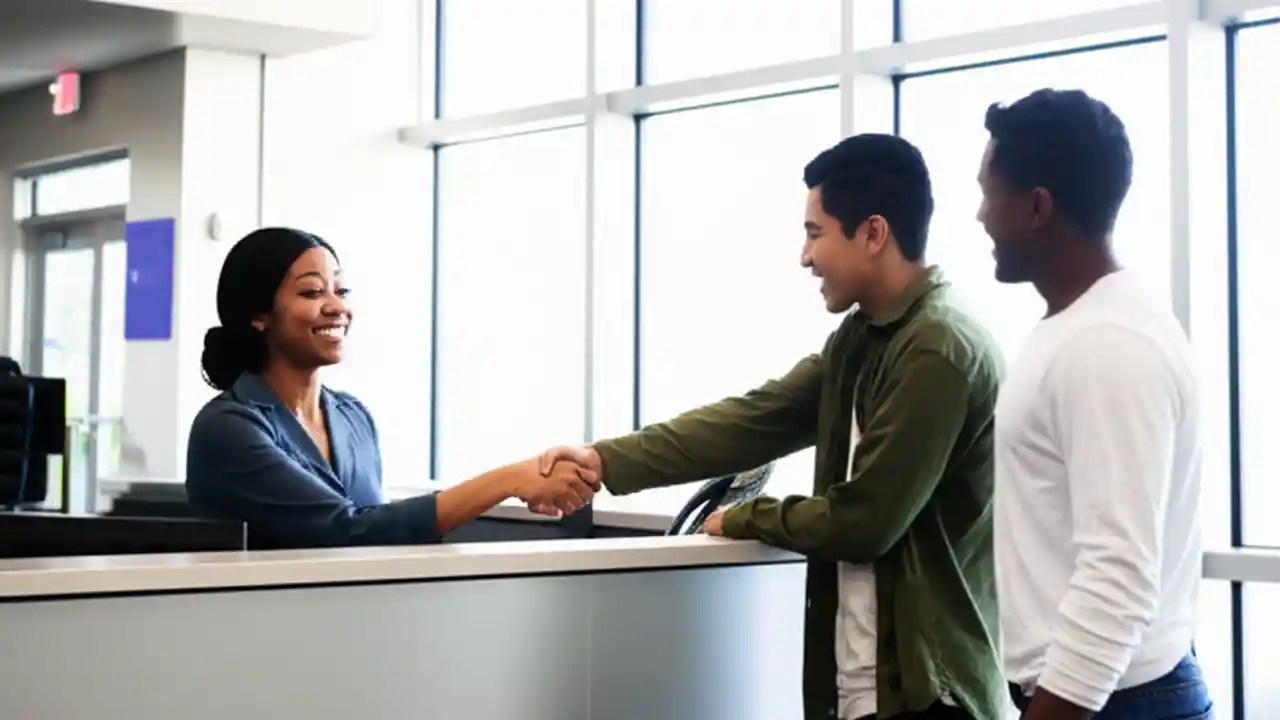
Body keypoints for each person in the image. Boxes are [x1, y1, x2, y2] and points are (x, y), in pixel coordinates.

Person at [540, 134, 1006, 719]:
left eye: (815, 234)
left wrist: (742, 517)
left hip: (931, 698)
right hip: (861, 692)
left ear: (873, 233)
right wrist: (604, 461)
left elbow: (866, 520)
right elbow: (753, 420)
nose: (804, 257)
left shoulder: (939, 351)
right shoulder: (862, 341)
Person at [977, 88, 1211, 719]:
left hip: (1115, 702)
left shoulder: (1107, 343)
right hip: (1103, 697)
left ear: (1036, 207)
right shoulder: (1080, 327)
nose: (980, 216)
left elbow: (1117, 574)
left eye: (987, 193)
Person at [186, 227, 597, 549]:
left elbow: (374, 532)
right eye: (312, 292)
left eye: (340, 290)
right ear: (259, 316)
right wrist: (510, 479)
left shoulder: (352, 416)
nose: (337, 307)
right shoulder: (230, 427)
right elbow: (347, 533)